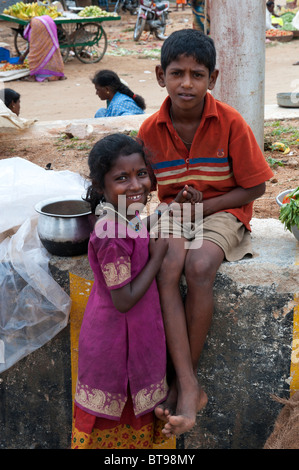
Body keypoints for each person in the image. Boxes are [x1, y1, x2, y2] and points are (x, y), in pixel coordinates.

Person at [138, 29, 274, 437]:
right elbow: (140, 188)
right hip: (174, 210)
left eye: (197, 75)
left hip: (223, 209)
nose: (186, 83)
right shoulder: (150, 130)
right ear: (160, 75)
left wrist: (207, 205)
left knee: (199, 267)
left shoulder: (231, 123)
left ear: (212, 79)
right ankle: (185, 382)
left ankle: (185, 381)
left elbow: (257, 186)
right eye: (177, 73)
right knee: (168, 265)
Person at [71, 133, 172, 449]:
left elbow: (139, 228)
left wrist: (170, 209)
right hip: (114, 348)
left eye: (141, 173)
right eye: (122, 178)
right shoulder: (110, 235)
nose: (136, 185)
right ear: (101, 187)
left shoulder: (126, 216)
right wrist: (157, 258)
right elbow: (124, 300)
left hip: (135, 340)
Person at [20, 15, 65, 82]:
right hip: (49, 23)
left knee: (35, 53)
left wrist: (22, 57)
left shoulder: (32, 30)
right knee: (52, 50)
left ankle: (32, 76)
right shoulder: (35, 24)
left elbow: (32, 47)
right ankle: (60, 75)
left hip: (39, 24)